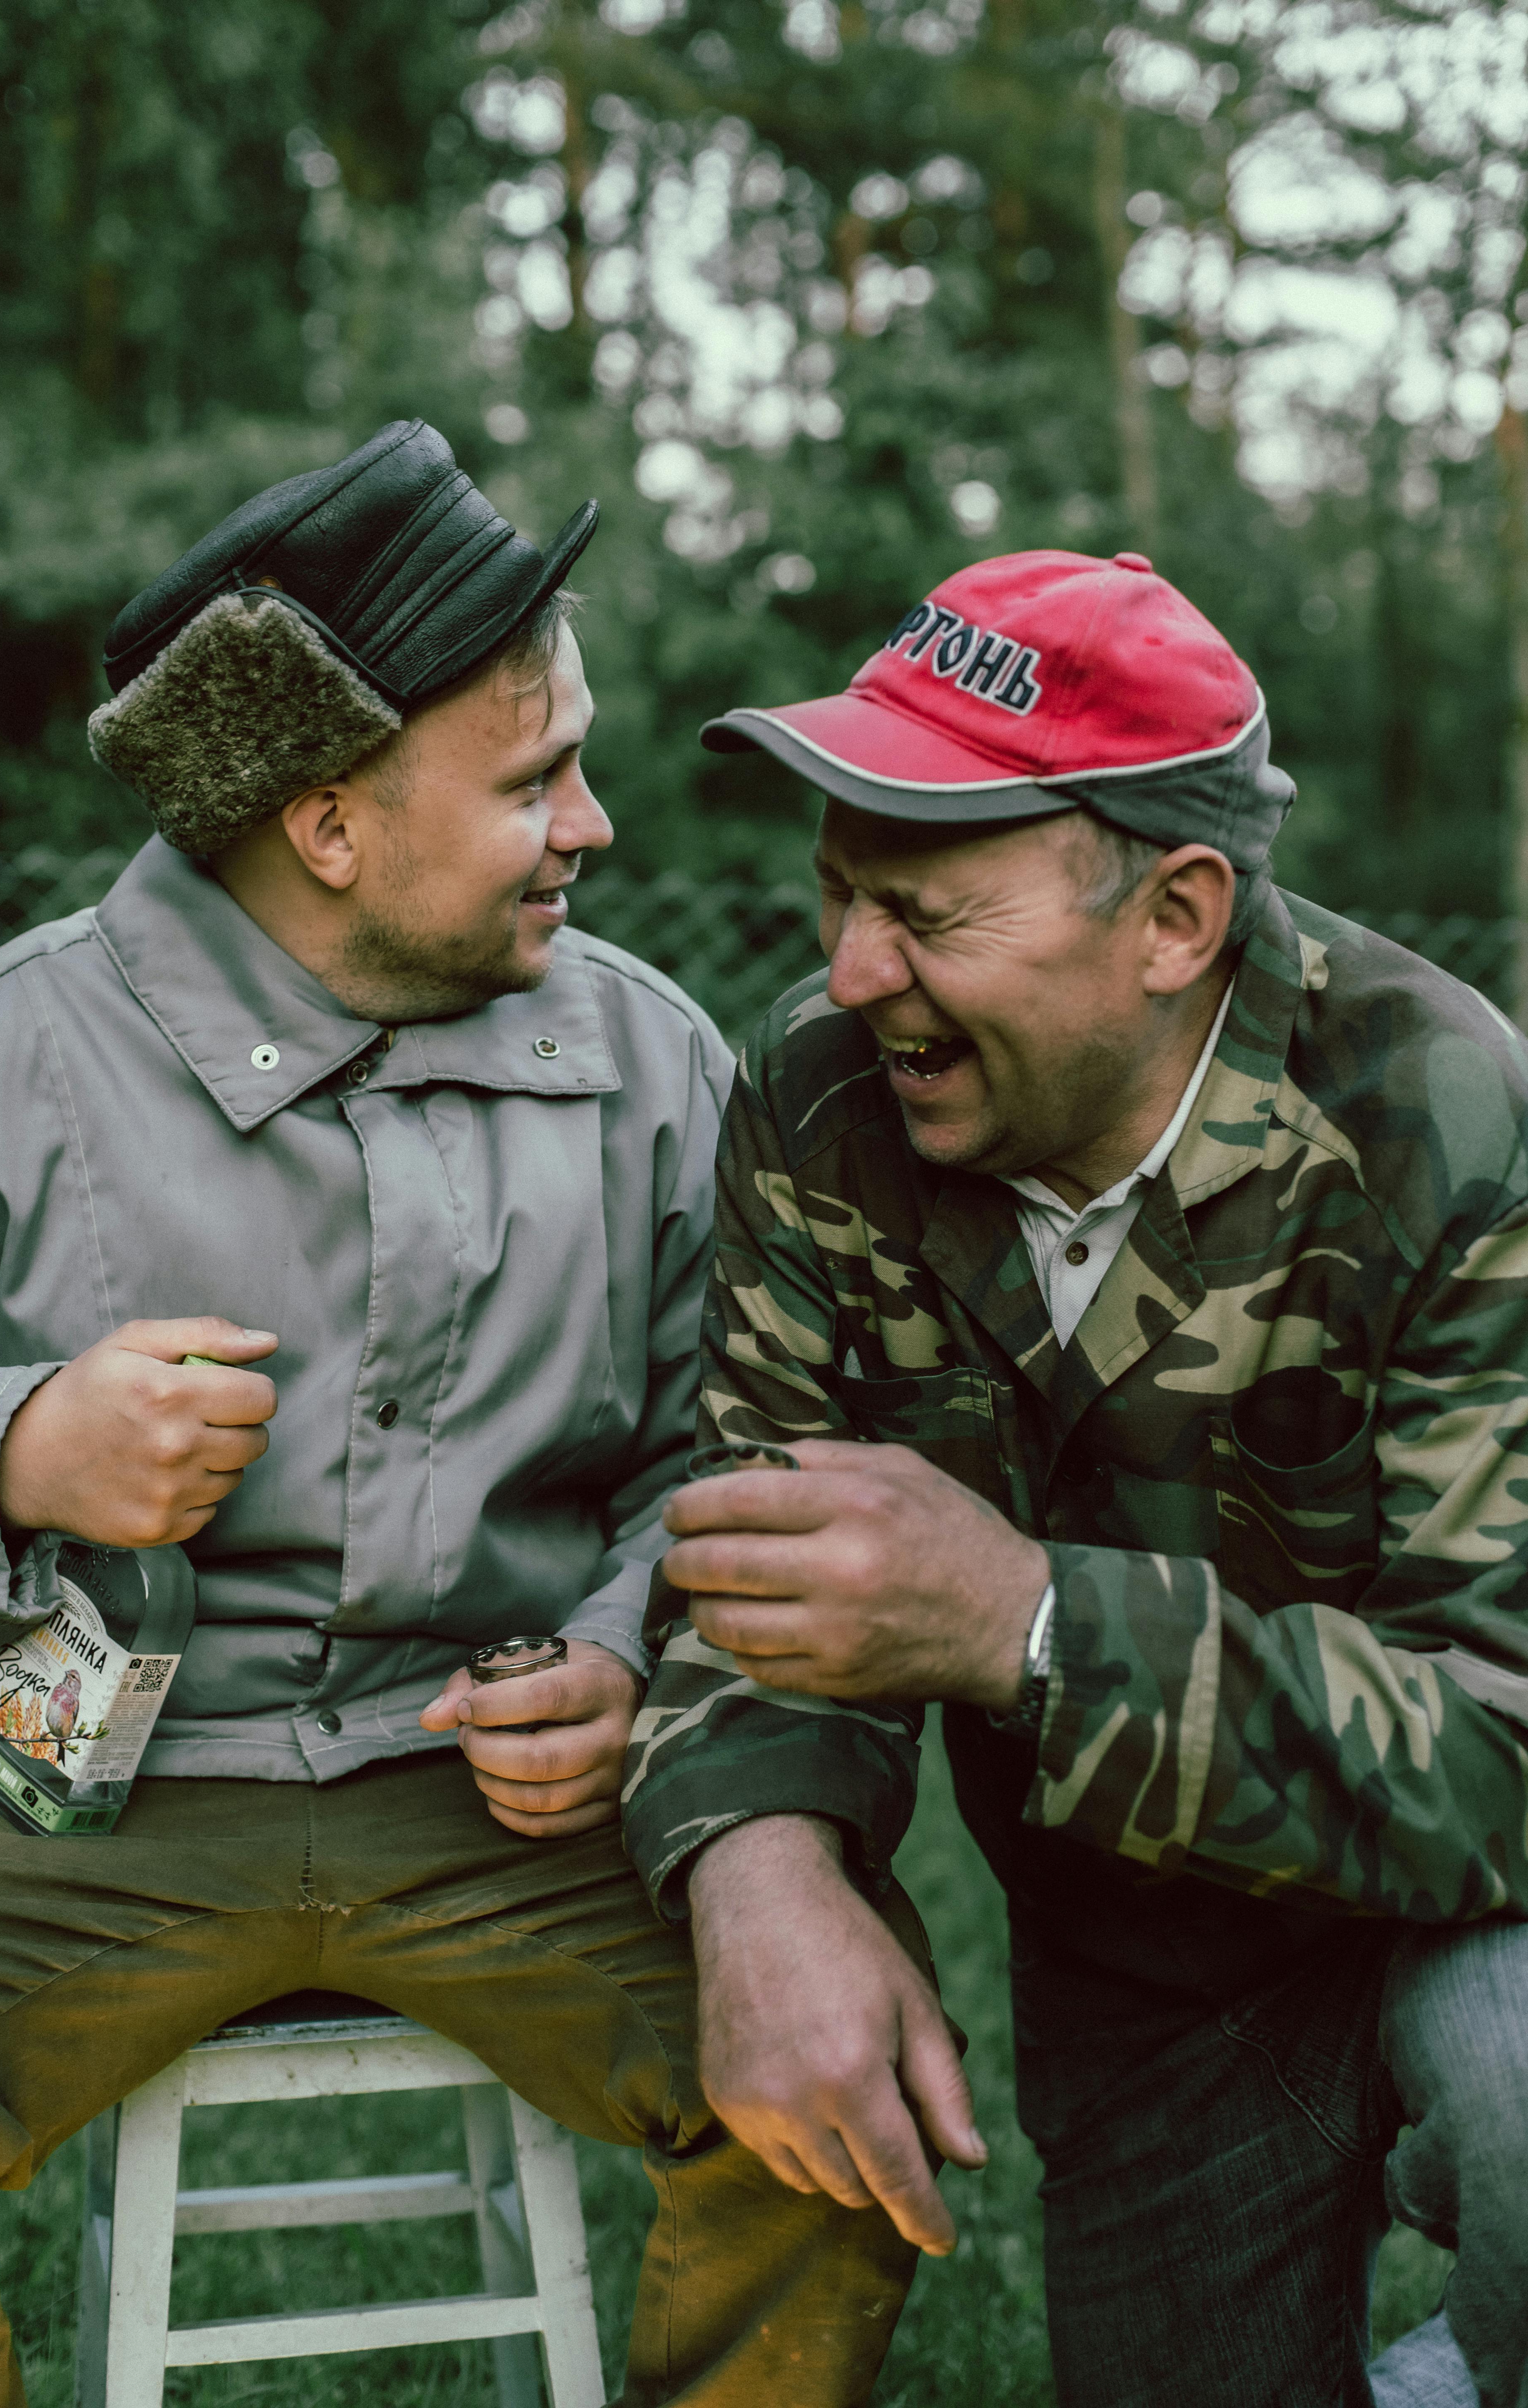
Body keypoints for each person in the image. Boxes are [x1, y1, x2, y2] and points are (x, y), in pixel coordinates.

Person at [0, 421, 922, 2408]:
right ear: (326, 825)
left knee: (847, 2064)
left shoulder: (654, 1061)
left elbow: (733, 1454)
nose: (596, 828)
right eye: (536, 780)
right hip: (80, 1798)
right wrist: (13, 1453)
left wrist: (627, 1656)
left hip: (516, 1807)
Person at [622, 547, 1528, 2408]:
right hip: (1145, 1960)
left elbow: (1508, 1743)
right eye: (838, 894)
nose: (851, 972)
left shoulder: (1443, 1110)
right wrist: (762, 1863)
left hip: (1471, 1916)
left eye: (928, 917)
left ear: (1178, 917)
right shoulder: (819, 1101)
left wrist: (1024, 1621)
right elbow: (754, 1540)